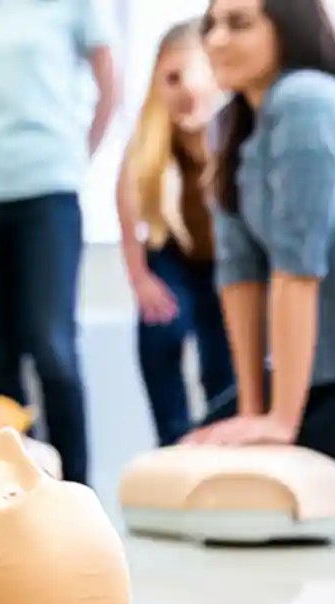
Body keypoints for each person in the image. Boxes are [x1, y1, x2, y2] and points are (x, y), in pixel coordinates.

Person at [0, 0, 119, 486]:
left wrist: (75, 157)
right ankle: (13, 494)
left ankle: (76, 493)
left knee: (52, 347)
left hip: (47, 192)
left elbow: (110, 85)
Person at [182, 0, 335, 466]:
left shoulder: (308, 101)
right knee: (194, 452)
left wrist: (281, 424)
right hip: (316, 376)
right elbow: (240, 277)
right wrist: (255, 412)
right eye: (210, 25)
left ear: (288, 29)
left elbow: (298, 266)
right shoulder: (232, 124)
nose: (215, 40)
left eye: (239, 25)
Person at [116, 20, 234, 447]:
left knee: (223, 361)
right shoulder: (149, 144)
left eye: (194, 75)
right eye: (171, 78)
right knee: (161, 330)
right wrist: (139, 277)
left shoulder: (237, 135)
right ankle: (171, 442)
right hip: (173, 255)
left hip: (227, 260)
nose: (185, 90)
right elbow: (126, 203)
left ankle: (220, 443)